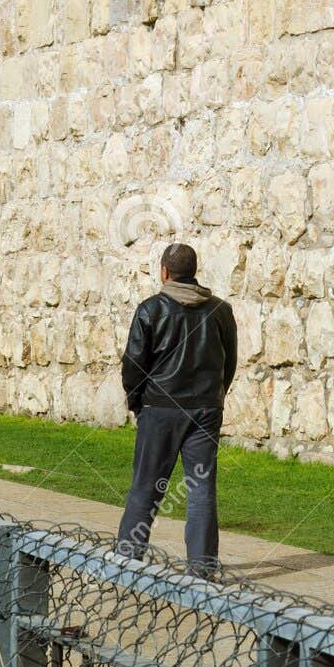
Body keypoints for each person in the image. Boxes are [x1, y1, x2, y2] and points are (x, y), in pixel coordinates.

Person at [115, 242, 238, 577]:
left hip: (160, 409)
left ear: (164, 271)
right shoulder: (220, 311)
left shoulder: (150, 310)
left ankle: (127, 559)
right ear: (194, 271)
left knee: (146, 486)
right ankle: (201, 569)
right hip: (205, 410)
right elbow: (229, 363)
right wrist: (216, 397)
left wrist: (136, 402)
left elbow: (134, 366)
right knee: (200, 492)